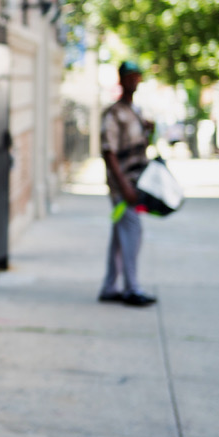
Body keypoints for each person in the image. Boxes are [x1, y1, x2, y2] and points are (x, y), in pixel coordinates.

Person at [98, 60, 157, 307]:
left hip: (136, 181)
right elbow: (108, 151)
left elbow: (140, 146)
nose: (134, 81)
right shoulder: (114, 113)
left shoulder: (136, 111)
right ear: (121, 80)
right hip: (123, 186)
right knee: (132, 232)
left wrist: (149, 131)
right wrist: (124, 187)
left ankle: (110, 286)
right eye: (129, 76)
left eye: (137, 76)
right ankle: (132, 288)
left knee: (121, 233)